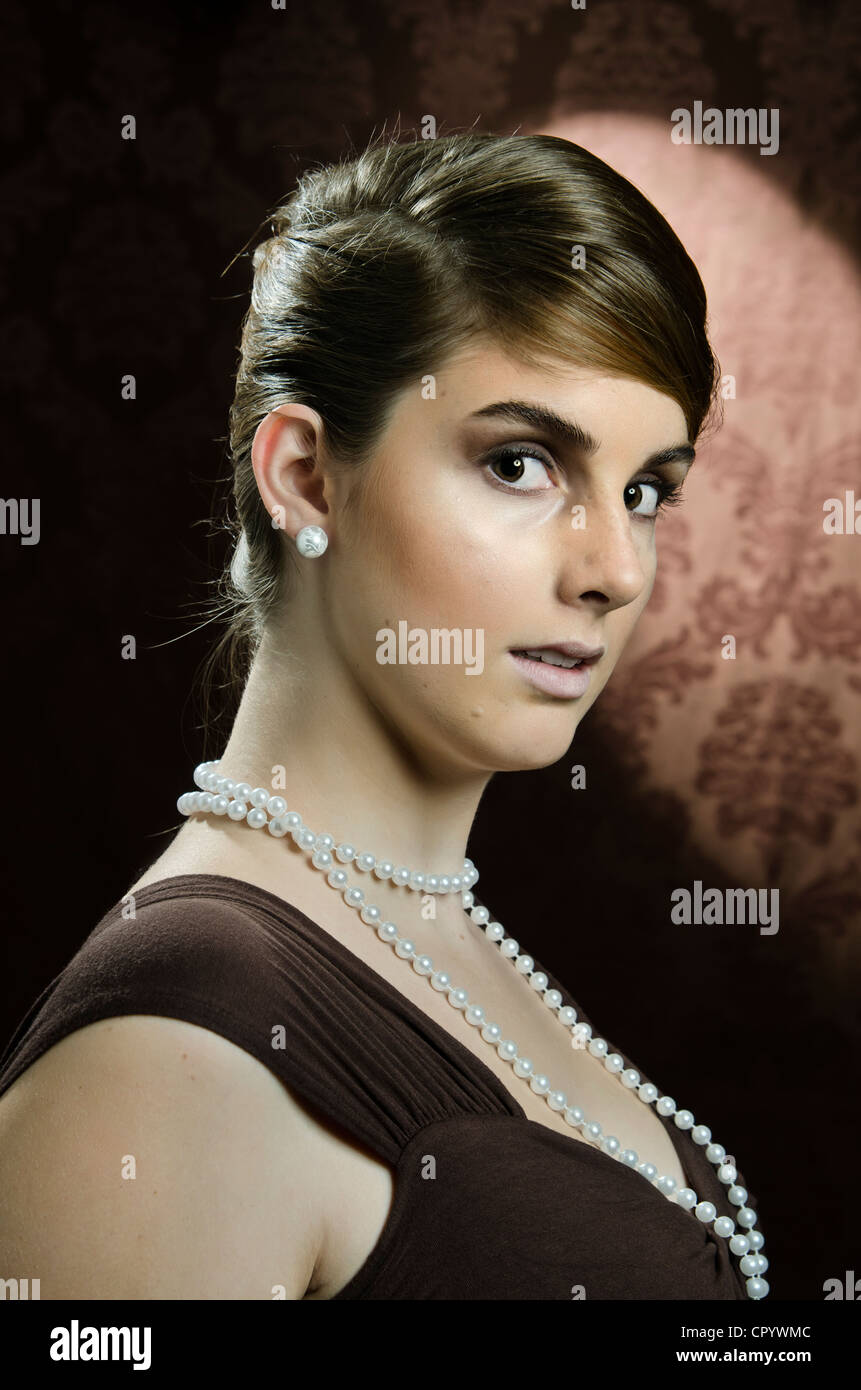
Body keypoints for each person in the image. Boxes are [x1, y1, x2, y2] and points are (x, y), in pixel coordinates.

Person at [0, 131, 767, 1300]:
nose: (614, 565)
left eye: (645, 489)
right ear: (305, 475)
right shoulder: (168, 1060)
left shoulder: (445, 943)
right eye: (520, 463)